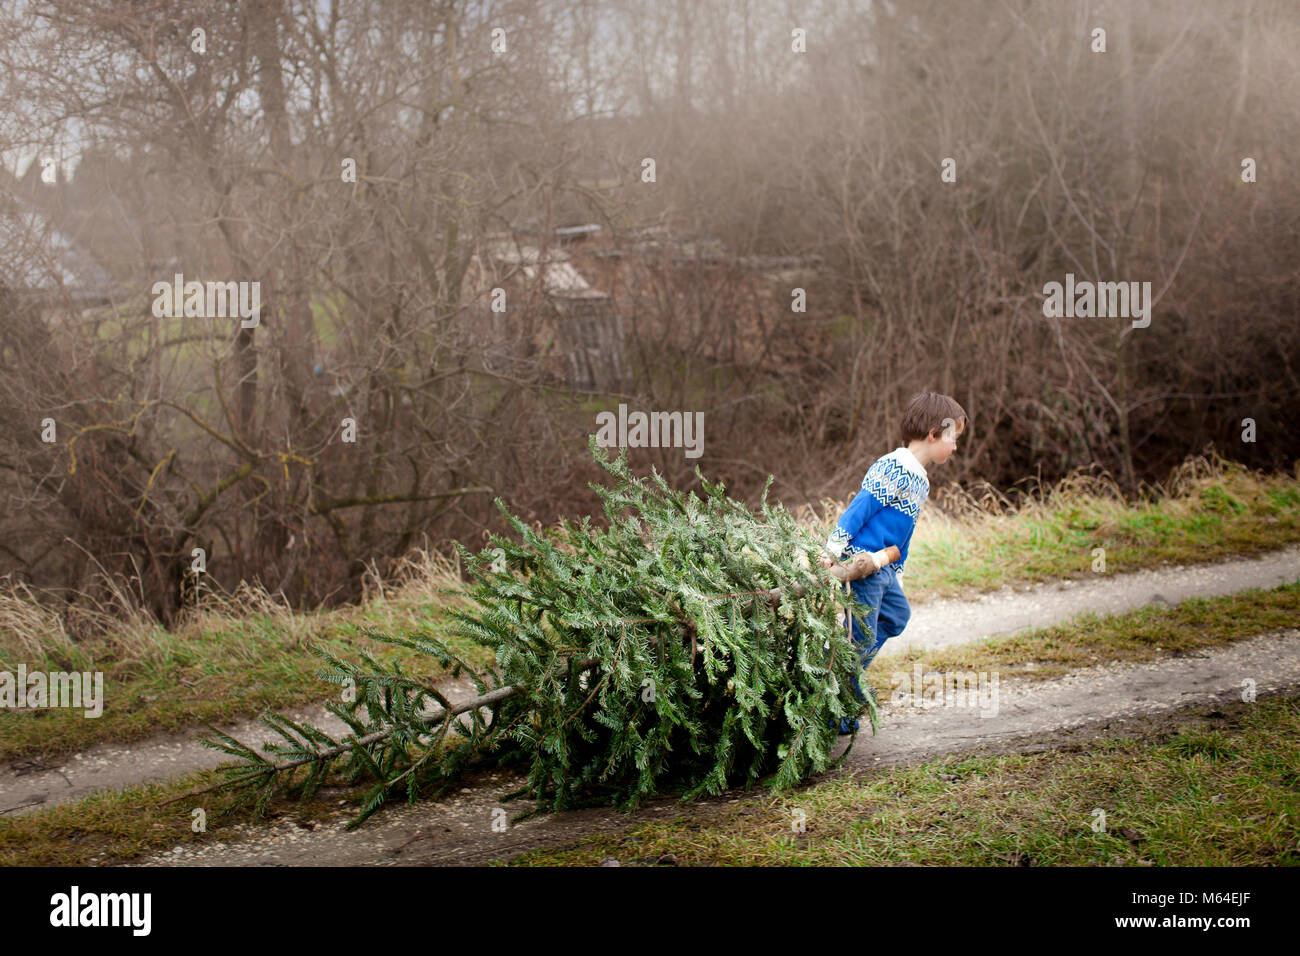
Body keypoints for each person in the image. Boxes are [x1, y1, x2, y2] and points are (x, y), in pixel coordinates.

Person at [818, 392, 967, 733]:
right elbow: (861, 508)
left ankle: (849, 672)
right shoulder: (894, 466)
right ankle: (833, 703)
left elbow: (904, 535)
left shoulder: (921, 479)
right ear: (933, 433)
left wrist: (899, 573)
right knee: (862, 635)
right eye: (953, 439)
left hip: (886, 568)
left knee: (897, 616)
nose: (955, 447)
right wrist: (833, 549)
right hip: (864, 566)